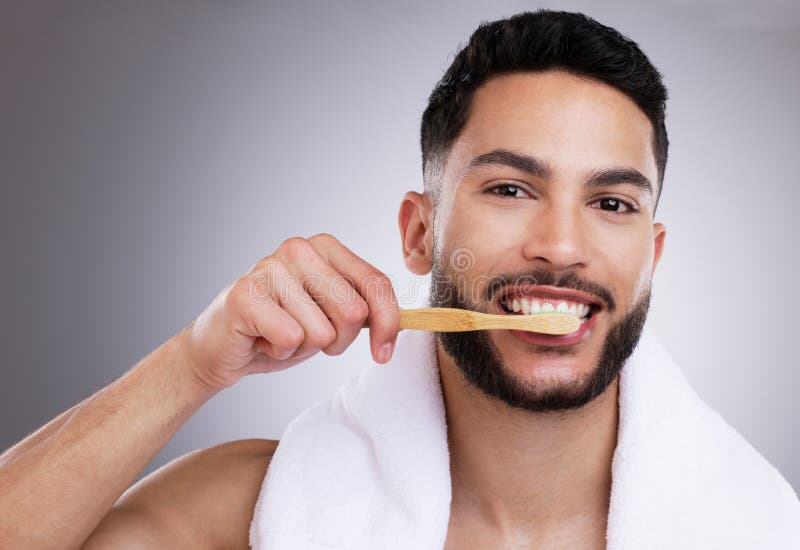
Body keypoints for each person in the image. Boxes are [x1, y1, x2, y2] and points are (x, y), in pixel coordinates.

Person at [1, 9, 797, 549]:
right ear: (420, 233)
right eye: (511, 189)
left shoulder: (758, 528)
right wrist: (191, 365)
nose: (563, 246)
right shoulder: (254, 508)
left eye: (612, 201)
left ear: (651, 254)